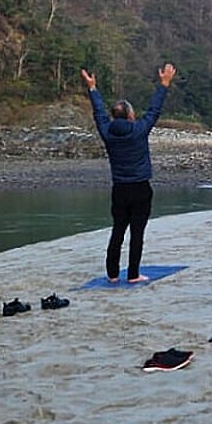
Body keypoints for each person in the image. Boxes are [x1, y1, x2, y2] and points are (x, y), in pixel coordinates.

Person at [82, 62, 176, 283]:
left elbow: (99, 113)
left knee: (118, 231)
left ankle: (113, 274)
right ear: (131, 116)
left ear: (115, 117)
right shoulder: (139, 130)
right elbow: (154, 110)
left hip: (120, 189)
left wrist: (92, 89)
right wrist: (164, 84)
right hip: (141, 187)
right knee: (137, 234)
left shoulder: (108, 131)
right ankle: (133, 274)